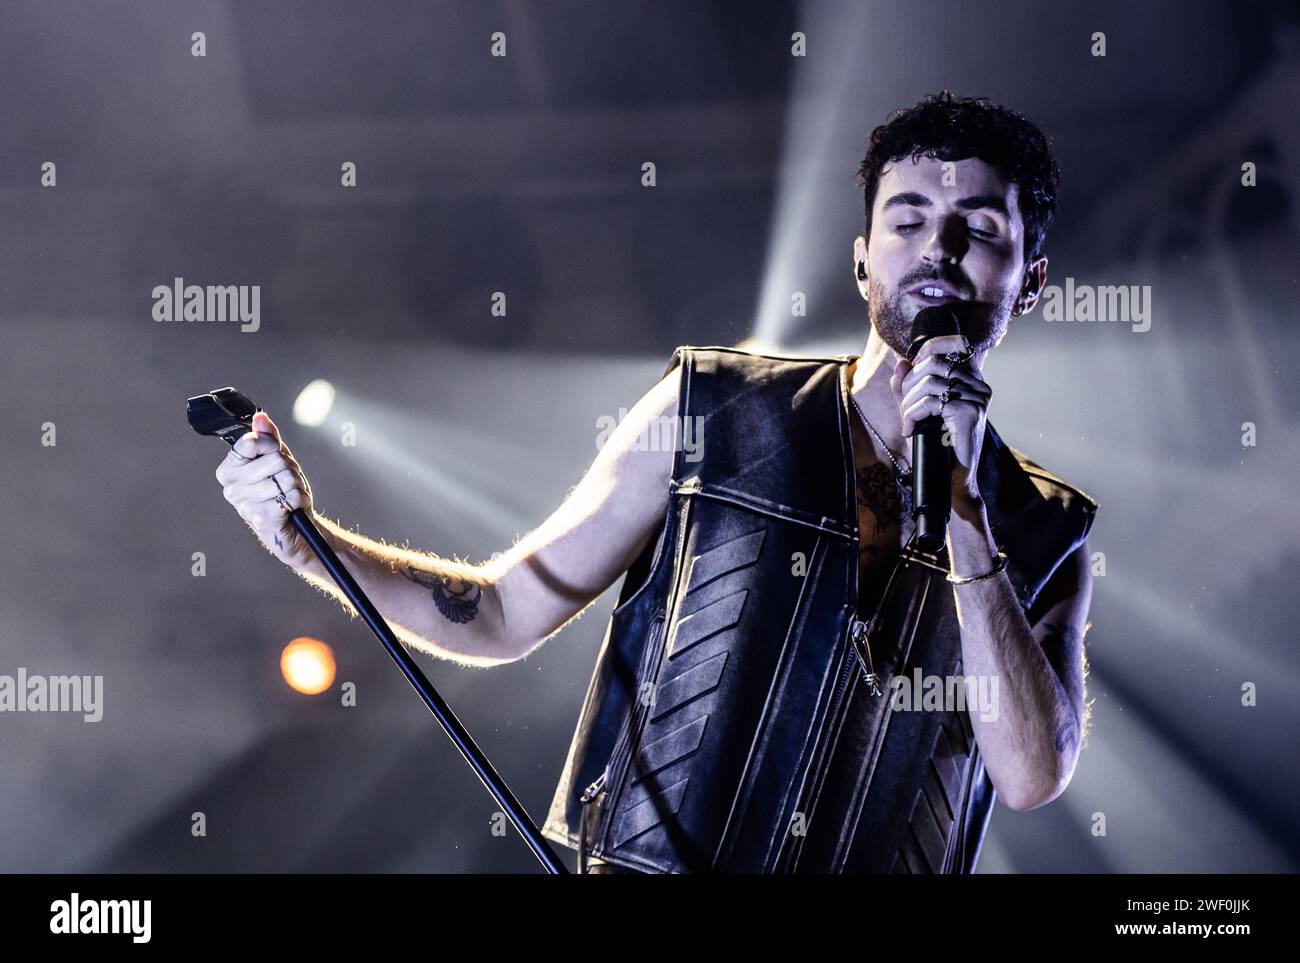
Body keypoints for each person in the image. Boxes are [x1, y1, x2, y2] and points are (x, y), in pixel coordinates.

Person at [214, 91, 1097, 874]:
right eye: (906, 221)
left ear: (1030, 283)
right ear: (863, 260)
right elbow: (500, 612)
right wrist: (308, 542)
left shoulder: (1048, 529)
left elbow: (1028, 775)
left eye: (978, 230)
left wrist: (968, 516)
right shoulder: (714, 408)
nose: (936, 250)